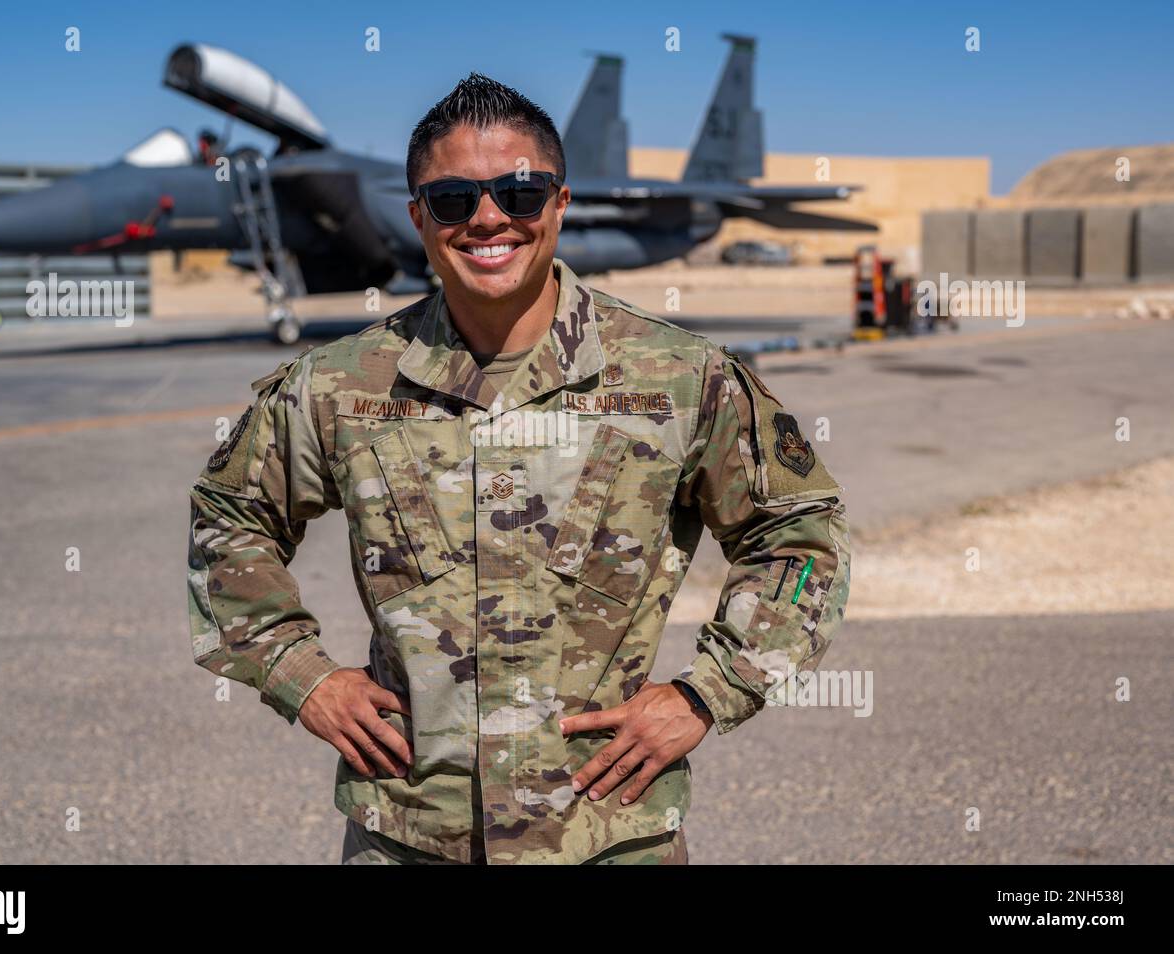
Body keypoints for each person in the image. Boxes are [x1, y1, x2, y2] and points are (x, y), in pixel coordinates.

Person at [186, 73, 850, 865]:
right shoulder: (343, 385)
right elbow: (229, 520)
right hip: (411, 833)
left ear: (560, 203)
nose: (490, 217)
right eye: (453, 200)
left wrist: (710, 691)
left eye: (519, 192)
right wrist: (300, 672)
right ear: (419, 219)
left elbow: (799, 538)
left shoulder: (681, 378)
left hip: (608, 834)